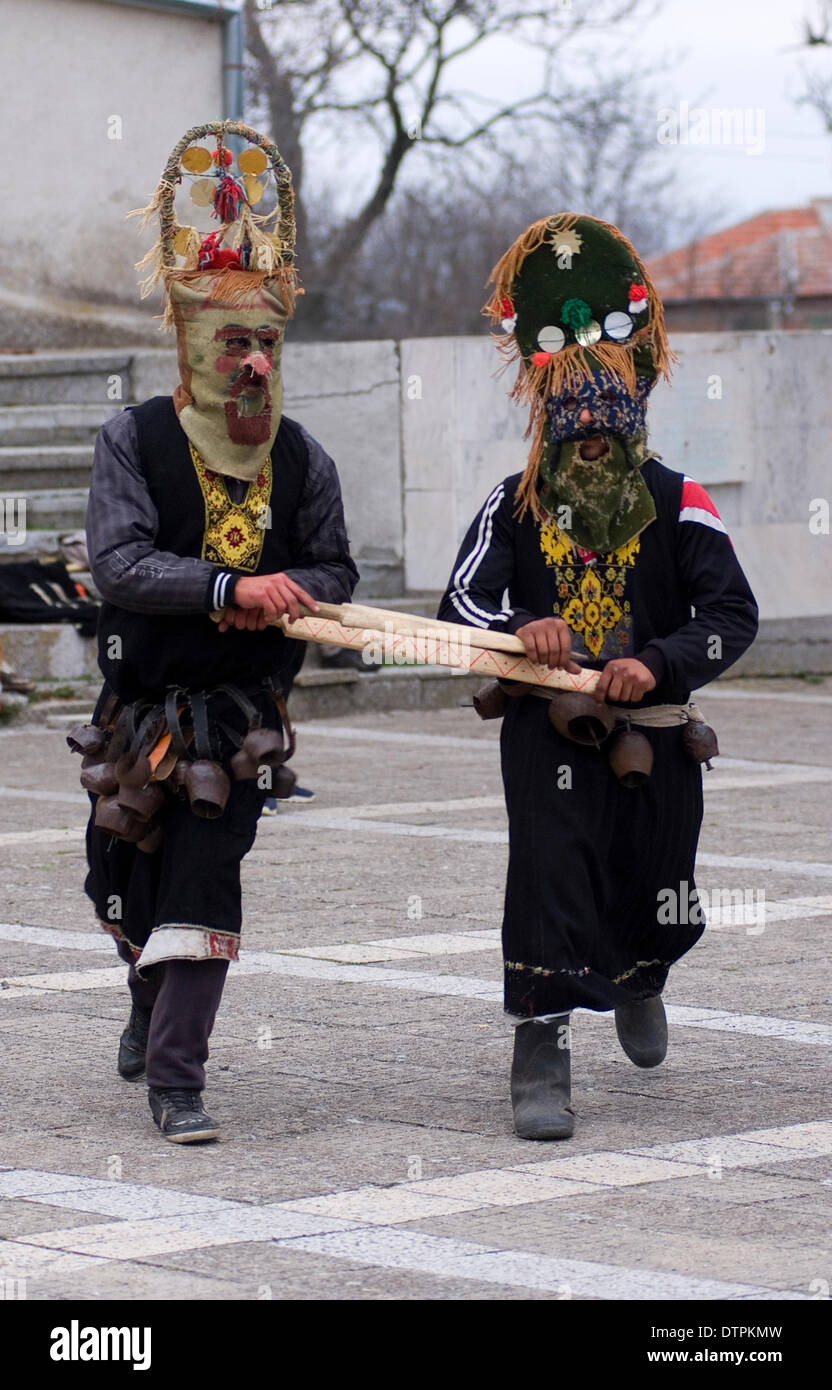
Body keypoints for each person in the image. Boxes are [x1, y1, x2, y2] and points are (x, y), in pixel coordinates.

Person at [438, 213, 758, 1140]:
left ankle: (640, 975)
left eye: (602, 441)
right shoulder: (515, 501)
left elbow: (732, 615)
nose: (587, 453)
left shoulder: (677, 499)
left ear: (629, 427)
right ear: (549, 428)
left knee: (661, 880)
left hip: (656, 729)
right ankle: (540, 1050)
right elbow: (462, 607)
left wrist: (654, 663)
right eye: (570, 438)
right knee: (550, 869)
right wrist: (522, 628)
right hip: (548, 731)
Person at [80, 120, 358, 1143]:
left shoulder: (303, 454)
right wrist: (228, 588)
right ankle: (144, 993)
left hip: (238, 724)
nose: (251, 361)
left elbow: (337, 568)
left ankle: (178, 1081)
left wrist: (293, 588)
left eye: (267, 343)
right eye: (231, 341)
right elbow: (118, 565)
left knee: (203, 883)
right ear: (193, 345)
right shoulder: (131, 438)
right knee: (118, 884)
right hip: (135, 712)